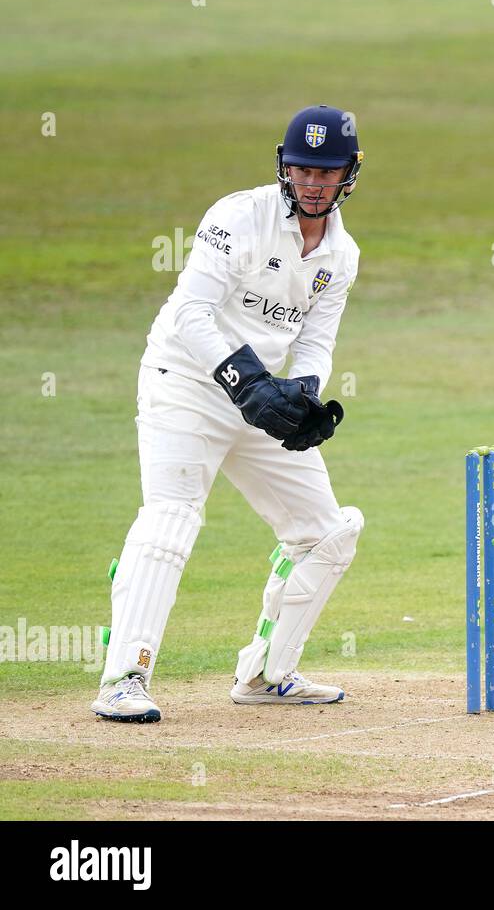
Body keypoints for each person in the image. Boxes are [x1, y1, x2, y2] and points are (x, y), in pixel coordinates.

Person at [92, 105, 365, 723]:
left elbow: (317, 340)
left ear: (350, 173)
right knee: (172, 520)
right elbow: (191, 313)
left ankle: (268, 674)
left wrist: (301, 394)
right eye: (301, 170)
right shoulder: (237, 216)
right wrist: (248, 384)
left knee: (327, 532)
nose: (312, 183)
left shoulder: (341, 255)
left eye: (326, 172)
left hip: (259, 396)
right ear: (283, 167)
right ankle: (123, 679)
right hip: (185, 383)